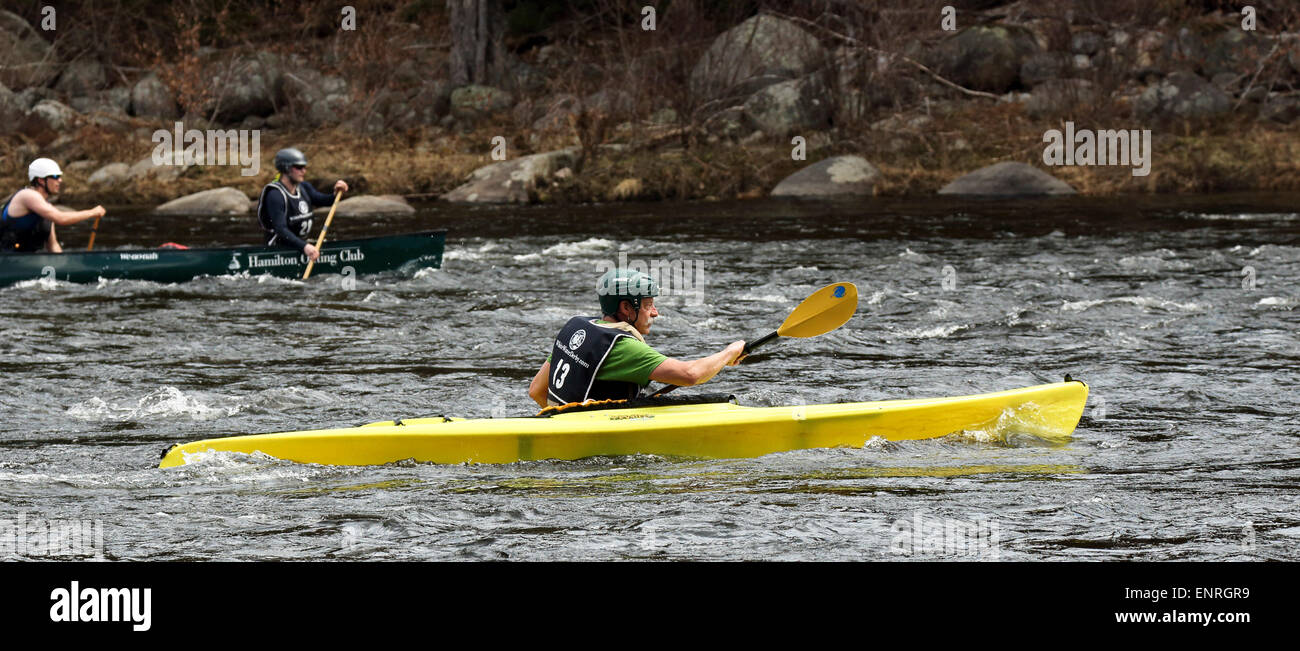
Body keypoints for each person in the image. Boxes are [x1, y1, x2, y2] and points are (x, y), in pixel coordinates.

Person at [528, 268, 746, 408]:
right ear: (625, 308)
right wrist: (729, 352)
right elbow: (690, 375)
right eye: (648, 305)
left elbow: (536, 390)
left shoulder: (577, 328)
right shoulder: (621, 346)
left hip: (564, 424)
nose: (655, 312)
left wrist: (561, 425)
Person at [256, 148, 348, 262]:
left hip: (301, 248)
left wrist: (336, 193)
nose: (303, 171)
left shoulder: (304, 187)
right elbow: (281, 229)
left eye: (304, 167)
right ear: (286, 168)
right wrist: (305, 247)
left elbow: (324, 201)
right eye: (299, 167)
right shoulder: (275, 195)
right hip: (278, 253)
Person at [0, 158, 106, 253]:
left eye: (59, 176)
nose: (60, 180)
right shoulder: (27, 195)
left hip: (24, 263)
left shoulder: (46, 207)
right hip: (6, 262)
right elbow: (61, 218)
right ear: (41, 180)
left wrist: (65, 268)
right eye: (55, 176)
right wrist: (93, 212)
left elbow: (53, 245)